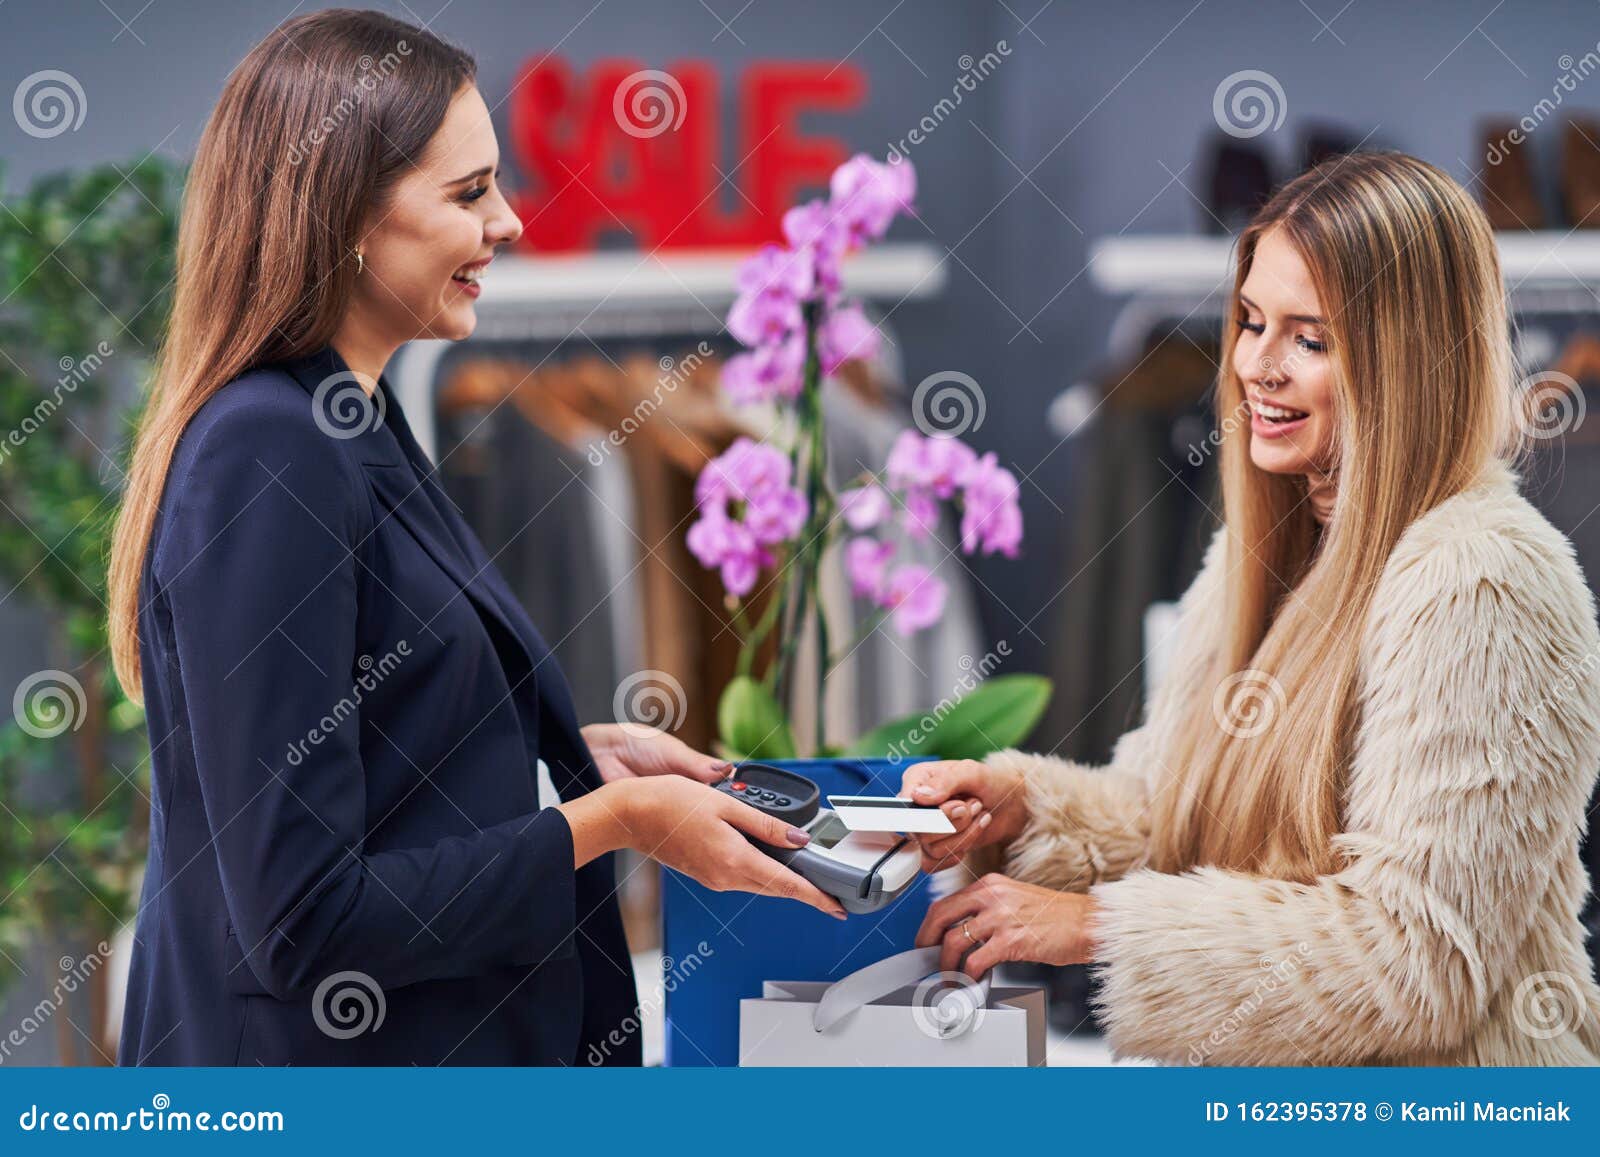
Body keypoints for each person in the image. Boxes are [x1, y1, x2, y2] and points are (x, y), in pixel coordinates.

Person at [106, 8, 843, 1068]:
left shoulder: (352, 420)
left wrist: (570, 762)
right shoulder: (271, 451)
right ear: (347, 215)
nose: (508, 223)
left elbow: (370, 771)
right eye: (468, 193)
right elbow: (303, 917)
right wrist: (617, 820)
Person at [904, 151, 1600, 1066]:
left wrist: (1101, 928)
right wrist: (1023, 809)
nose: (1255, 368)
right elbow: (1174, 815)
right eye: (1250, 323)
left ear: (1410, 358)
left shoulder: (1482, 581)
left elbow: (1416, 961)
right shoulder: (1261, 550)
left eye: (1310, 340)